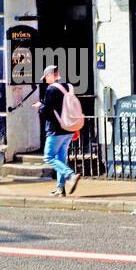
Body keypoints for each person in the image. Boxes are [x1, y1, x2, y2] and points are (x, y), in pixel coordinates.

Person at [36, 64, 79, 196]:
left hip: (55, 130)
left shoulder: (51, 89)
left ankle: (70, 174)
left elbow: (47, 111)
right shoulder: (69, 87)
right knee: (61, 159)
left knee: (48, 157)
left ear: (50, 75)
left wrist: (40, 106)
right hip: (69, 129)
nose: (45, 80)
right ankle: (61, 188)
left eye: (46, 77)